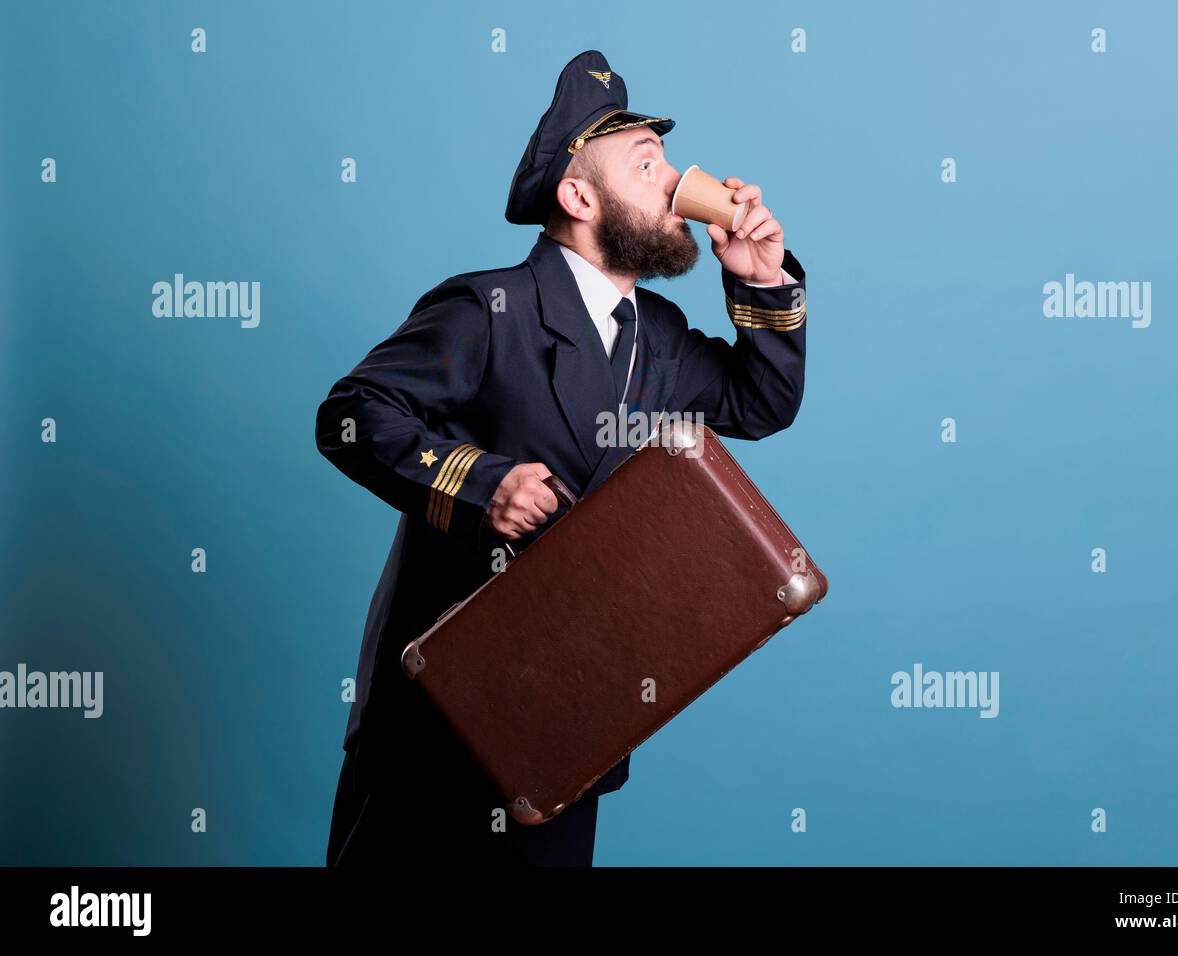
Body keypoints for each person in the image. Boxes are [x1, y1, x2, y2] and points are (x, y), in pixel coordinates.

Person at [317, 49, 809, 867]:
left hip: (562, 740)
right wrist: (480, 485)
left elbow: (760, 405)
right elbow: (351, 416)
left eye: (667, 162)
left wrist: (761, 281)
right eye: (646, 165)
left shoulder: (659, 337)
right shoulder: (489, 309)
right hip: (433, 735)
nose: (674, 183)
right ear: (579, 198)